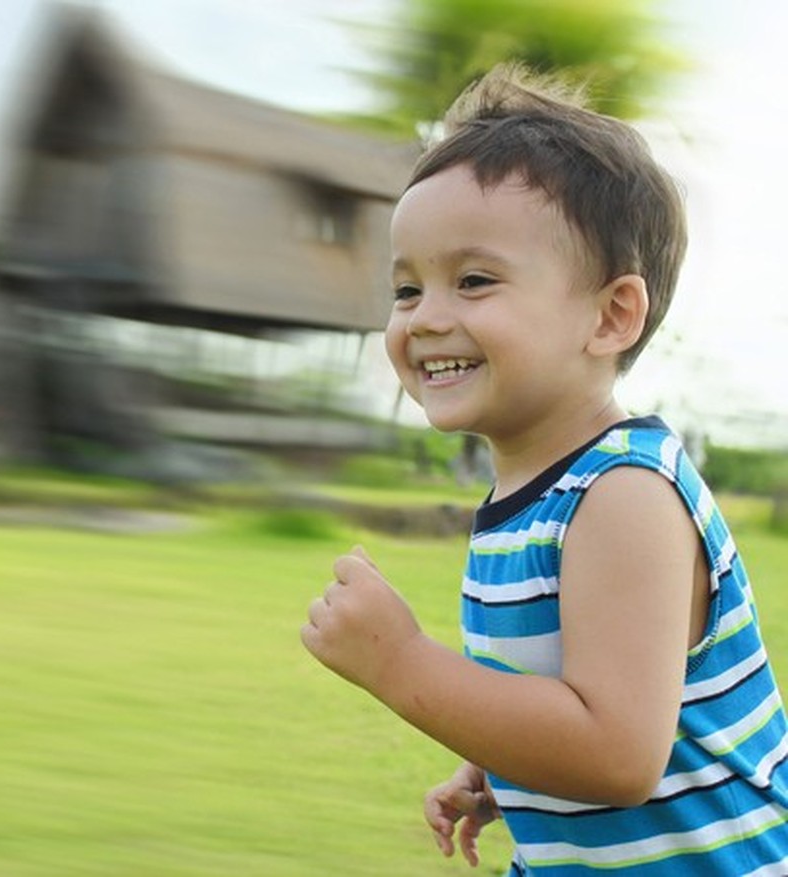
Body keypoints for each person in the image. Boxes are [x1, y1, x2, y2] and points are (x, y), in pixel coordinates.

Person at [300, 63, 788, 875]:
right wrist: (498, 765)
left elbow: (617, 752)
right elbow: (563, 693)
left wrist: (401, 663)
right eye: (407, 288)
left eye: (475, 280)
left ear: (610, 315)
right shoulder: (529, 496)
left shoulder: (623, 494)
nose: (427, 318)